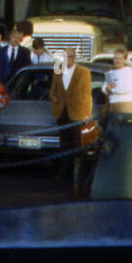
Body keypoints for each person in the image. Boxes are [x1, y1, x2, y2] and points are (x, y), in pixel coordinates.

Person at [49, 48, 95, 197]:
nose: (68, 59)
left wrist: (87, 113)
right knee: (64, 143)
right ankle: (63, 172)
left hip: (78, 112)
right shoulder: (57, 71)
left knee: (77, 144)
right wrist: (55, 103)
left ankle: (78, 175)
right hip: (62, 112)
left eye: (70, 56)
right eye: (65, 57)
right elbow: (53, 91)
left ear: (74, 57)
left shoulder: (83, 72)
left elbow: (87, 94)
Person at [103, 48, 132, 116]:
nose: (117, 60)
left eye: (120, 58)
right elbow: (104, 87)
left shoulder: (129, 71)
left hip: (126, 104)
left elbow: (126, 89)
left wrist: (112, 89)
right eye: (115, 58)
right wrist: (107, 89)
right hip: (113, 104)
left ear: (125, 60)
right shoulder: (111, 72)